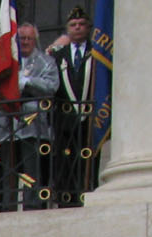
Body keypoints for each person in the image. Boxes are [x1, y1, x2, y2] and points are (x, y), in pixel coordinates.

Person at [0, 23, 60, 212]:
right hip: (6, 125)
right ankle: (6, 208)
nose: (24, 42)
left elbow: (52, 87)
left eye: (28, 38)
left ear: (35, 40)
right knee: (7, 172)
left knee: (31, 172)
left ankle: (31, 206)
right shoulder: (7, 60)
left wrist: (27, 82)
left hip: (34, 125)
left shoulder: (46, 61)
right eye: (21, 39)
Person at [49, 6, 98, 207]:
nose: (77, 28)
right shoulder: (58, 56)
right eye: (73, 25)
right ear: (67, 29)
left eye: (81, 25)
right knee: (66, 159)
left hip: (91, 118)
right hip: (65, 120)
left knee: (89, 159)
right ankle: (66, 199)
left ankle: (88, 193)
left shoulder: (96, 53)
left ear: (88, 28)